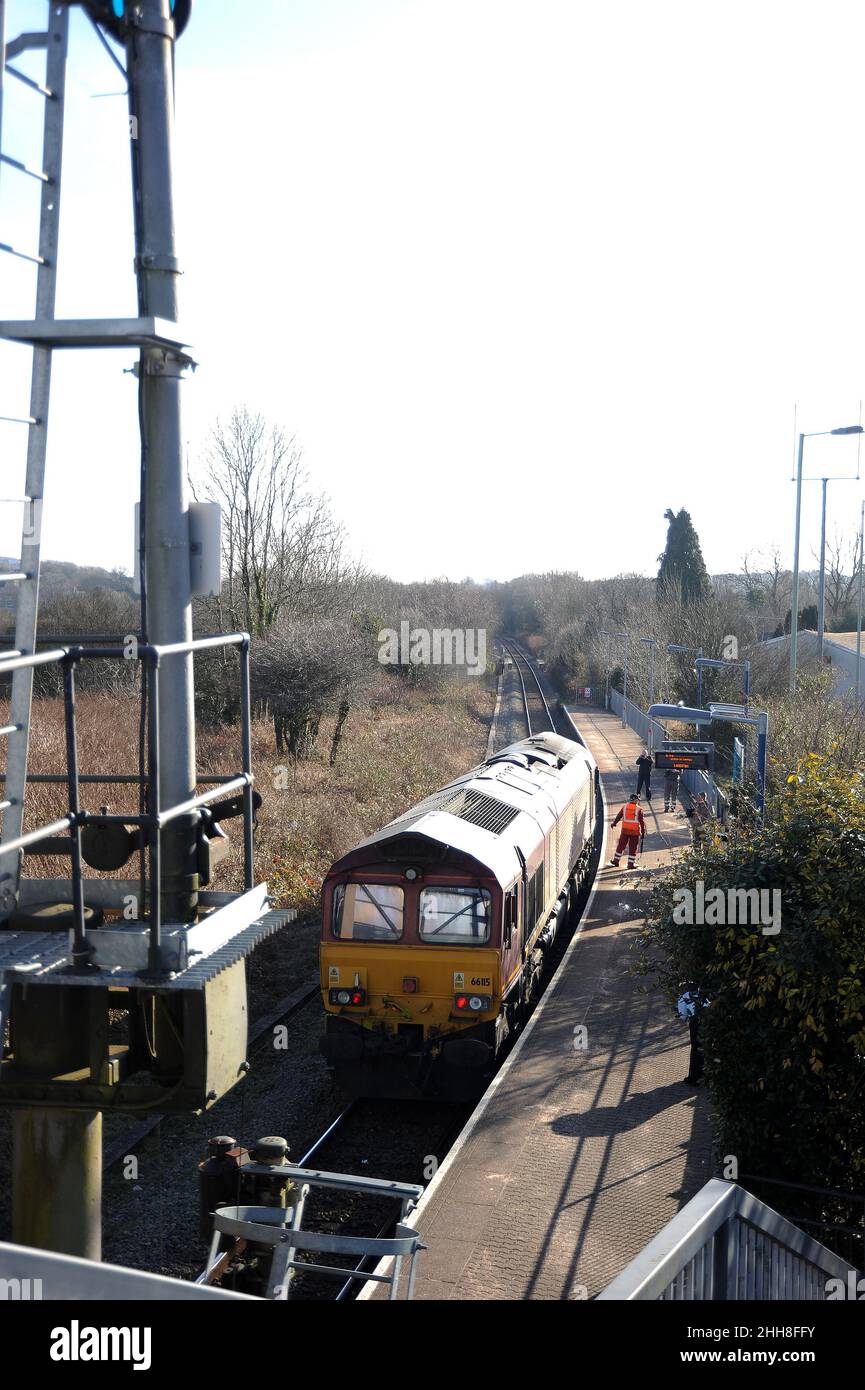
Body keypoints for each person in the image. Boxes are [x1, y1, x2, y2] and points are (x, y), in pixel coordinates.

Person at [677, 989, 708, 1084]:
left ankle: (694, 1077)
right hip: (709, 1023)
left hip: (695, 1023)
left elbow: (682, 1016)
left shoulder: (686, 995)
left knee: (696, 1048)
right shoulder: (708, 992)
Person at [610, 792, 645, 869]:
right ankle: (630, 864)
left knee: (621, 846)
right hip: (634, 832)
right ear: (636, 800)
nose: (638, 801)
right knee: (632, 848)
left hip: (625, 831)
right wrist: (643, 832)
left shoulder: (624, 807)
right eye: (638, 800)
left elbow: (619, 816)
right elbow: (642, 822)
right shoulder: (639, 810)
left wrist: (614, 823)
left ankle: (616, 861)